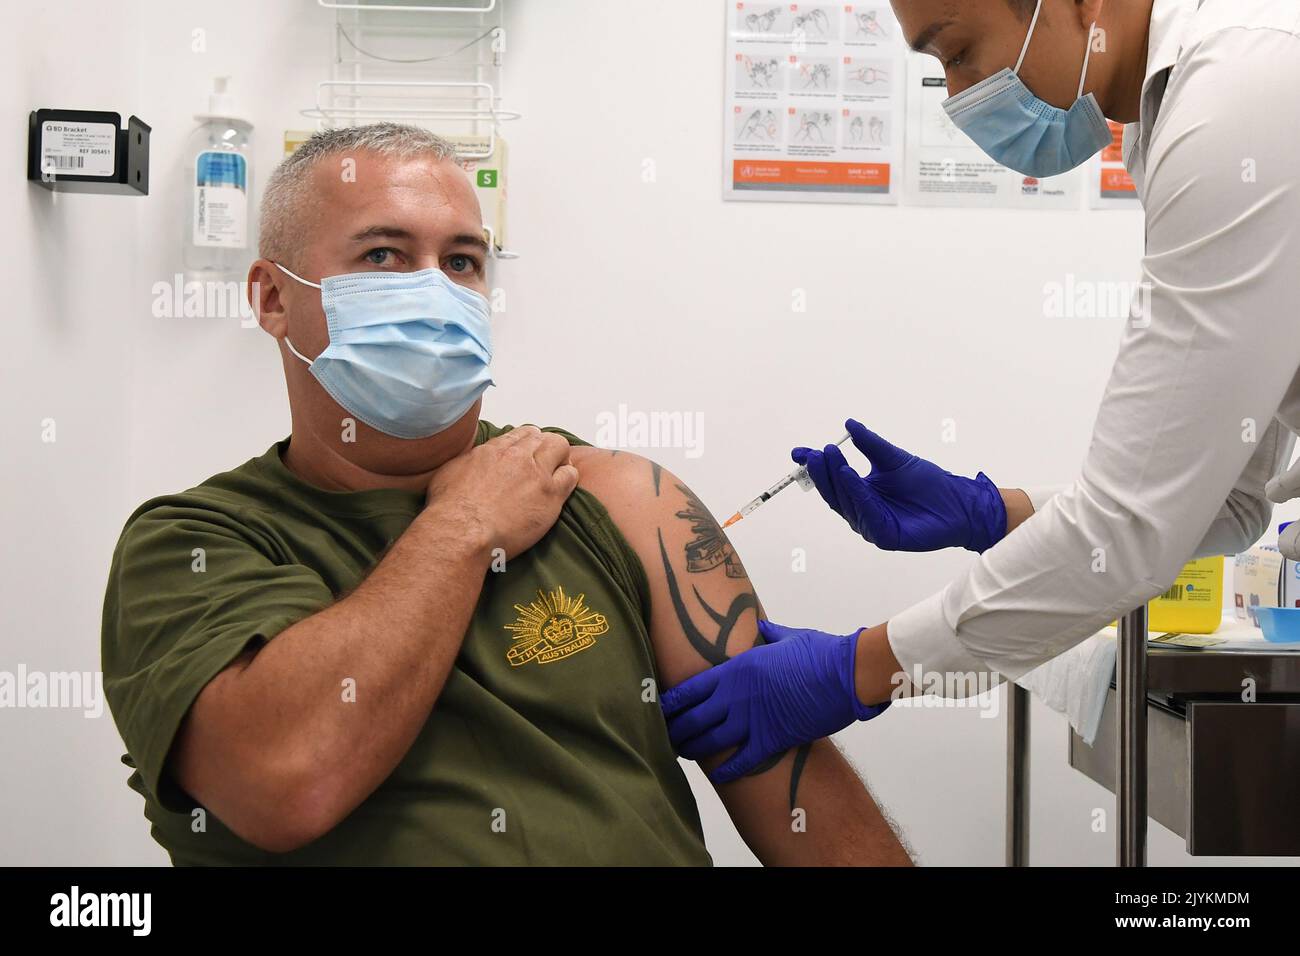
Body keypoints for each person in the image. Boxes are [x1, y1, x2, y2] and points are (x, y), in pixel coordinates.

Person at [100, 123, 909, 866]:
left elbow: (802, 810)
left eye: (461, 262)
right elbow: (288, 781)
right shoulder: (193, 545)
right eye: (382, 255)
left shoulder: (617, 499)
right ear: (273, 298)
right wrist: (464, 525)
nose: (435, 291)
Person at [662, 0, 1300, 781]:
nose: (958, 95)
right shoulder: (1171, 119)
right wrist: (992, 512)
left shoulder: (1241, 99)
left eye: (956, 53)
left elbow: (1129, 529)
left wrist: (855, 671)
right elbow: (1232, 499)